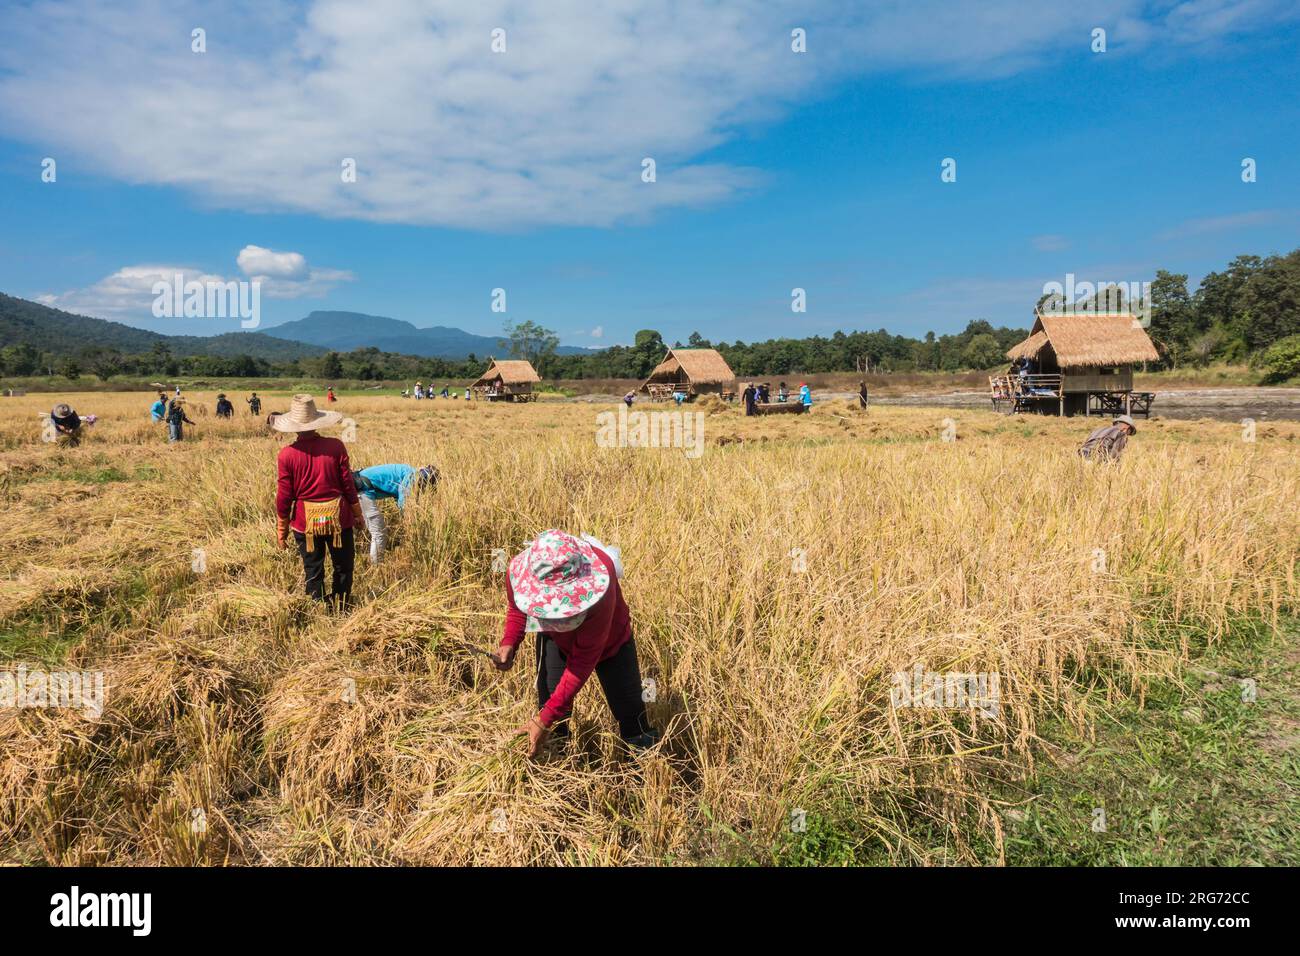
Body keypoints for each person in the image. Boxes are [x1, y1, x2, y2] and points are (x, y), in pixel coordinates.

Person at [490, 530, 659, 757]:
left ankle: (644, 773)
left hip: (611, 644)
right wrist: (510, 642)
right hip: (553, 640)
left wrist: (544, 719)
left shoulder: (603, 578)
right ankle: (558, 764)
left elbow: (582, 663)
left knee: (633, 719)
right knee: (553, 717)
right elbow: (517, 609)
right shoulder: (517, 571)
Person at [273, 394, 362, 609]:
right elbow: (348, 484)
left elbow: (284, 496)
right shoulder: (336, 447)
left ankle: (316, 606)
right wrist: (358, 513)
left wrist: (281, 529)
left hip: (306, 522)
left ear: (293, 426)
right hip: (339, 519)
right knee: (343, 566)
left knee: (313, 567)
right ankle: (341, 605)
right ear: (317, 421)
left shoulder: (287, 455)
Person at [353, 463, 439, 564]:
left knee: (352, 528)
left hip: (359, 487)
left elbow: (398, 495)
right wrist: (410, 522)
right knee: (379, 533)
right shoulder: (413, 477)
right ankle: (375, 566)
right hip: (362, 490)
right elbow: (404, 504)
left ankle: (349, 556)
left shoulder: (409, 471)